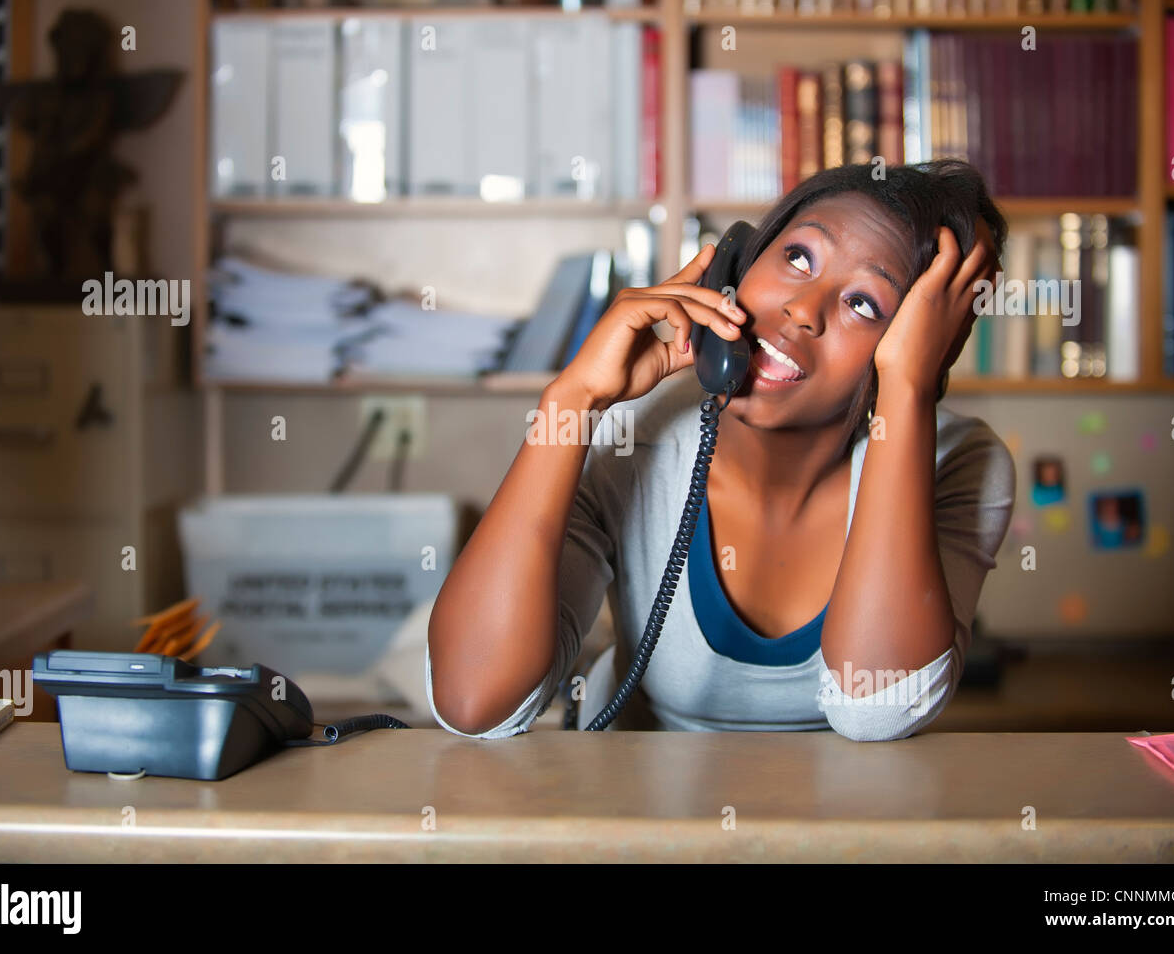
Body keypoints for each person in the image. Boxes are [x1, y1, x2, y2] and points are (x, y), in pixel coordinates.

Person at [427, 159, 1016, 741]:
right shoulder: (634, 437)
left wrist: (908, 391)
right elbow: (474, 701)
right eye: (798, 257)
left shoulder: (961, 461)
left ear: (913, 345)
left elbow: (876, 711)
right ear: (738, 263)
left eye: (864, 304)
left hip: (839, 829)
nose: (802, 311)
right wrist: (572, 398)